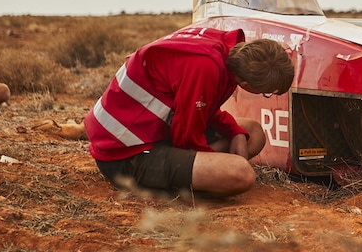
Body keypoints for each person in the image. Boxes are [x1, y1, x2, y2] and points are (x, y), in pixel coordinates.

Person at [84, 26, 295, 197]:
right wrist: (218, 165)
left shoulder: (223, 49)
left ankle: (194, 176)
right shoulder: (205, 67)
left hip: (153, 130)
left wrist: (236, 133)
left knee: (252, 132)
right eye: (265, 92)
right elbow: (186, 137)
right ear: (247, 84)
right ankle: (189, 185)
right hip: (126, 153)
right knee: (240, 174)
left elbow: (201, 111)